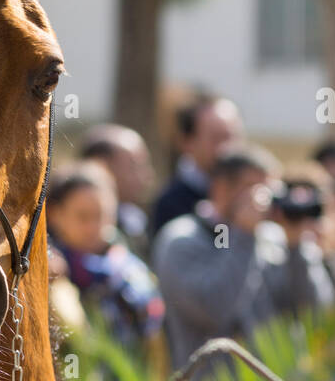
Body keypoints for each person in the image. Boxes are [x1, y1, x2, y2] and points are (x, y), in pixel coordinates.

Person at [153, 145, 335, 371]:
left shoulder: (272, 238)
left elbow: (316, 315)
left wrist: (297, 246)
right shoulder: (183, 240)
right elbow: (215, 310)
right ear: (220, 189)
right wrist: (242, 235)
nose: (265, 201)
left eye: (271, 191)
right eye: (254, 190)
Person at [46, 162, 164, 346]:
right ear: (55, 215)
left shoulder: (129, 268)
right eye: (83, 217)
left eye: (102, 215)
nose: (94, 227)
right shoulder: (48, 270)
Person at [150, 93, 243, 239]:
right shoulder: (174, 202)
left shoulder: (251, 190)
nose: (227, 148)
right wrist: (221, 219)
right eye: (216, 138)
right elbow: (220, 251)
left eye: (232, 137)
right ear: (186, 142)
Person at [79, 123, 155, 255]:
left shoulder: (134, 221)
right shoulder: (64, 236)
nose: (147, 176)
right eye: (135, 166)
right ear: (101, 166)